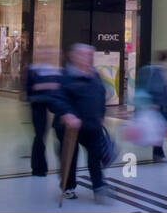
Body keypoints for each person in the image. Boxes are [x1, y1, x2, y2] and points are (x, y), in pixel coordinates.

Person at [58, 44, 109, 202]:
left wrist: (101, 114)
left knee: (95, 155)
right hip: (70, 126)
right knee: (70, 157)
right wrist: (67, 114)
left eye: (89, 55)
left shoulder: (95, 74)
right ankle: (68, 186)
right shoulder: (66, 75)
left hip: (91, 124)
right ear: (74, 57)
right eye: (84, 55)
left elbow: (101, 95)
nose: (88, 58)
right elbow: (58, 98)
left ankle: (98, 186)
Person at [24, 45, 67, 177]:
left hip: (57, 104)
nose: (48, 56)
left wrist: (43, 86)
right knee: (40, 135)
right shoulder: (33, 70)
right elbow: (31, 89)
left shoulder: (59, 70)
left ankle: (65, 167)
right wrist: (49, 86)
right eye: (44, 53)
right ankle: (38, 168)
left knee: (61, 134)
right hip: (38, 104)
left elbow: (63, 88)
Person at [135, 50, 167, 162]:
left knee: (159, 130)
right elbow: (157, 89)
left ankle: (158, 154)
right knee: (159, 130)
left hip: (161, 106)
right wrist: (155, 103)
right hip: (158, 106)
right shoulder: (159, 71)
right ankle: (159, 154)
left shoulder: (159, 70)